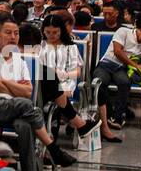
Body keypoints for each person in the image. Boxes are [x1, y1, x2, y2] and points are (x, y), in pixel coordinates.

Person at [0, 18, 74, 171]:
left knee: (24, 124)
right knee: (26, 105)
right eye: (8, 32)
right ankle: (52, 148)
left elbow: (27, 91)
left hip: (16, 109)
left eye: (16, 33)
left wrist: (1, 80)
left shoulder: (20, 60)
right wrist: (13, 86)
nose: (13, 37)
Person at [93, 10, 141, 138]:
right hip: (106, 64)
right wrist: (135, 65)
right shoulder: (123, 32)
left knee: (124, 82)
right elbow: (117, 51)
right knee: (100, 82)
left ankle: (117, 118)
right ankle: (107, 115)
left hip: (121, 68)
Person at [37, 14, 99, 143]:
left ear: (61, 31)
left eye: (55, 32)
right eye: (48, 32)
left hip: (66, 81)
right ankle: (77, 124)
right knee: (48, 90)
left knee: (51, 93)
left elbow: (76, 72)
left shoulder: (71, 47)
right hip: (45, 81)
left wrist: (60, 74)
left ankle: (49, 134)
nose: (51, 35)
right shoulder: (39, 46)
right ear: (43, 30)